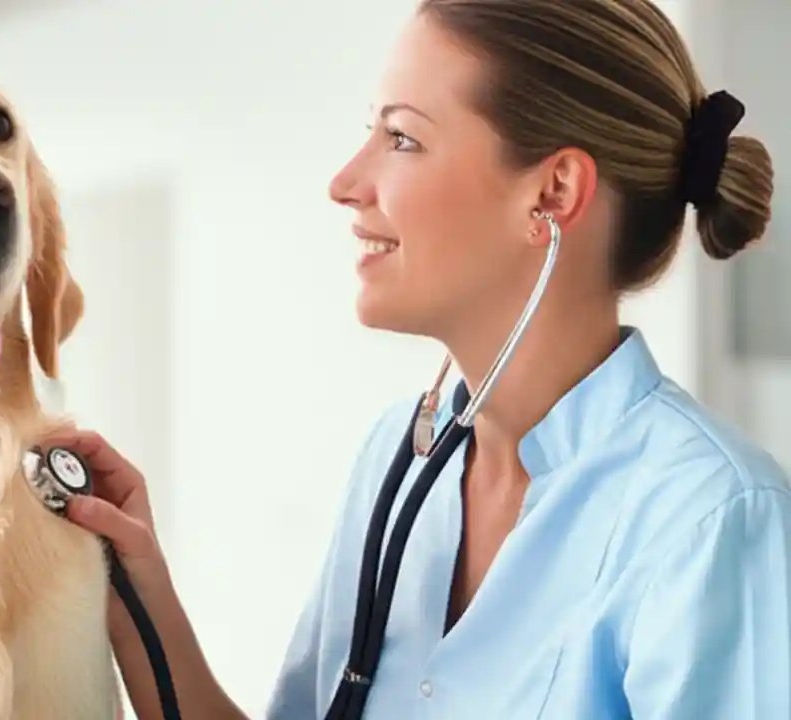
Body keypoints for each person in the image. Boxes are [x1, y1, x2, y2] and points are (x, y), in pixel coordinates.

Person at [49, 0, 791, 717]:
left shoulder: (710, 518)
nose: (345, 183)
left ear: (553, 191)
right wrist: (136, 591)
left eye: (401, 138)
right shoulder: (397, 461)